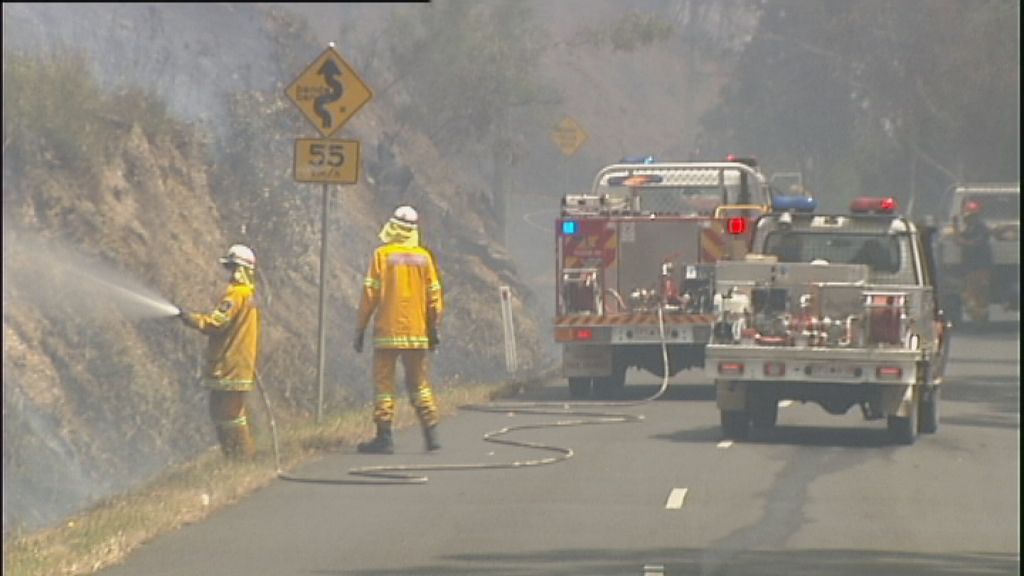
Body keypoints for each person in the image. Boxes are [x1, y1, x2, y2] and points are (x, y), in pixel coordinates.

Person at [353, 205, 444, 454]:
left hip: (387, 332)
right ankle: (431, 432)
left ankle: (384, 437)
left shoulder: (382, 256)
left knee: (384, 385)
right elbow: (434, 298)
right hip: (417, 333)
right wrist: (433, 328)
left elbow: (369, 295)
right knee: (419, 383)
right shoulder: (424, 258)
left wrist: (360, 328)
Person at [179, 244, 261, 459]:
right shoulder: (249, 295)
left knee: (229, 413)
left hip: (229, 364)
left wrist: (191, 319)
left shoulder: (236, 295)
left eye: (233, 267)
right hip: (238, 363)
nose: (230, 273)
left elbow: (216, 323)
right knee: (222, 412)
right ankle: (235, 457)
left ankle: (241, 457)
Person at [955, 200, 993, 323]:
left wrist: (962, 242)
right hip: (971, 267)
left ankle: (982, 315)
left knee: (981, 290)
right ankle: (977, 315)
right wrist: (955, 228)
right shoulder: (969, 228)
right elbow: (960, 238)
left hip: (981, 266)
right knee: (970, 292)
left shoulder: (981, 228)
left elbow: (975, 243)